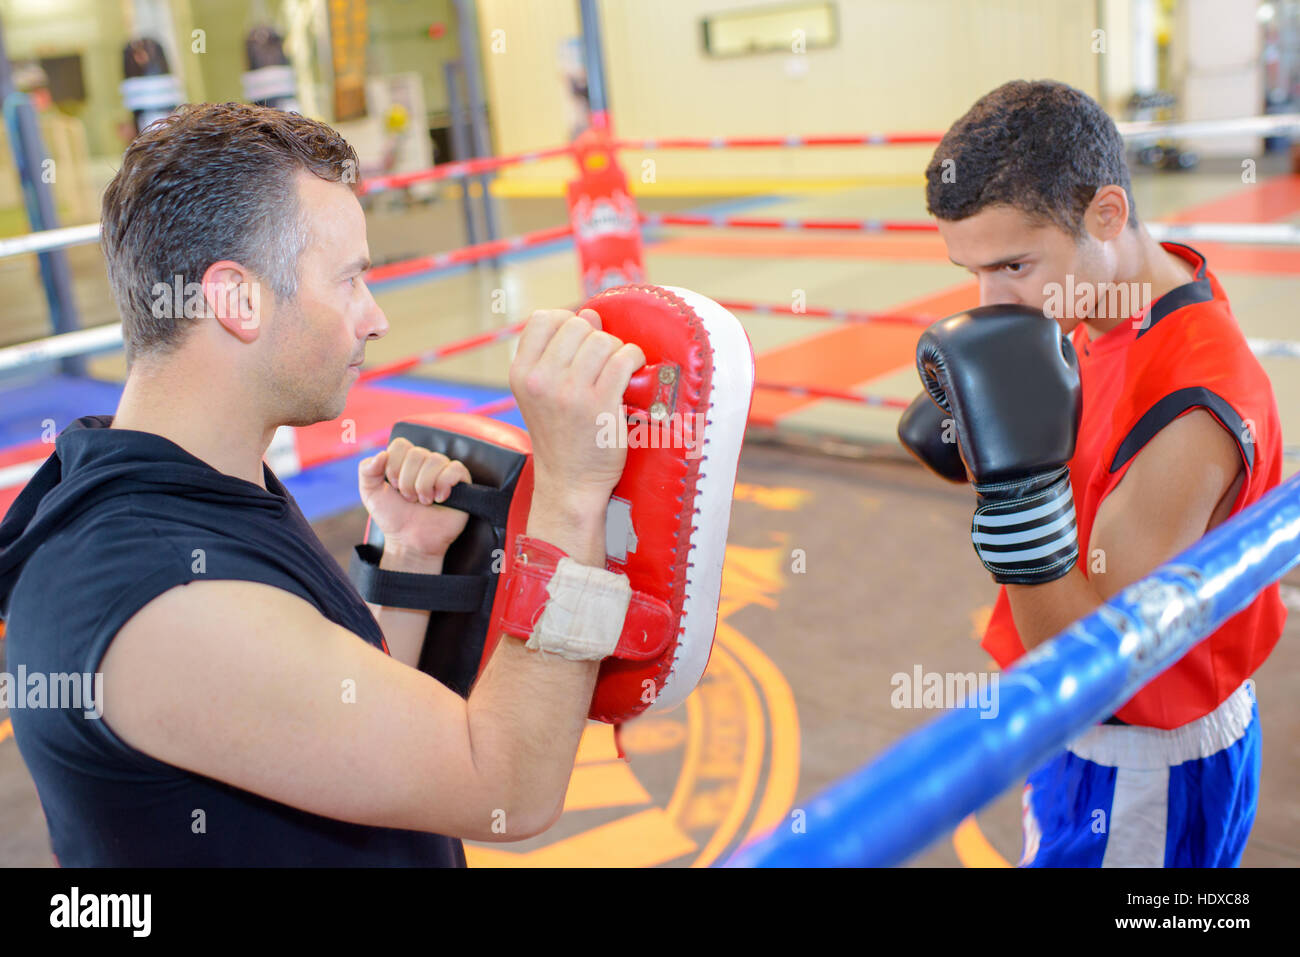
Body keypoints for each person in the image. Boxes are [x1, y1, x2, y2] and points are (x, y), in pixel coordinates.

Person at [0, 103, 645, 866]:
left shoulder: (171, 483)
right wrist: (571, 493)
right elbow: (504, 782)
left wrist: (406, 555)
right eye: (349, 282)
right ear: (237, 300)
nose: (374, 318)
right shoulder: (163, 590)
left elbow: (328, 718)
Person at [920, 80, 1284, 867]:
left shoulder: (1189, 407)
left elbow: (1096, 667)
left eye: (1013, 264)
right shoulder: (1110, 299)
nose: (991, 303)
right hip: (1080, 742)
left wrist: (1013, 495)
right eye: (972, 270)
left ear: (1107, 216)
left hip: (1139, 763)